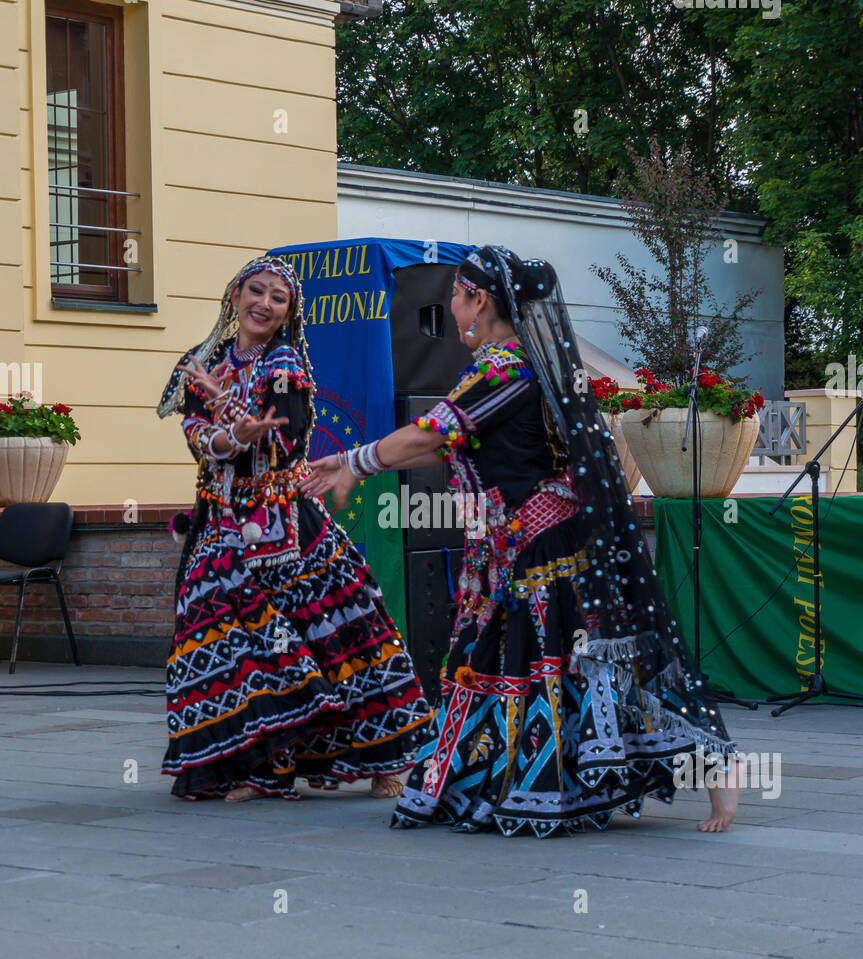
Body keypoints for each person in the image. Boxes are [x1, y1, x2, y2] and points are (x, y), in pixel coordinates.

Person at [303, 245, 740, 836]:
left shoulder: (508, 369)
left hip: (546, 548)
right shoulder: (518, 365)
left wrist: (355, 461)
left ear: (478, 299)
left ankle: (714, 775)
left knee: (564, 662)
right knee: (554, 663)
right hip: (517, 549)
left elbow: (433, 435)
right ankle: (525, 777)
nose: (453, 308)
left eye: (455, 295)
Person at [156, 253, 433, 802]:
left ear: (287, 314)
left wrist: (245, 423)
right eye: (255, 292)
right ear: (235, 296)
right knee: (223, 641)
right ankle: (255, 763)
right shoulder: (201, 359)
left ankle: (390, 758)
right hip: (218, 521)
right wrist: (228, 435)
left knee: (339, 637)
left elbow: (284, 445)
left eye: (276, 298)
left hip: (284, 523)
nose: (263, 304)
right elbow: (194, 434)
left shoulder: (286, 366)